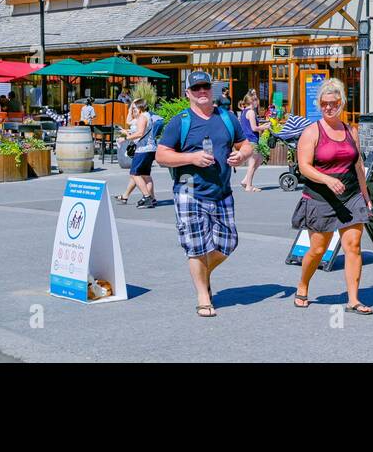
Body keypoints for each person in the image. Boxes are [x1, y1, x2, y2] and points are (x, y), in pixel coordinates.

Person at [155, 71, 253, 318]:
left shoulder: (227, 117)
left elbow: (246, 144)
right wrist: (191, 157)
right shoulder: (180, 121)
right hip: (188, 189)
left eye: (205, 87)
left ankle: (202, 271)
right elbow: (161, 155)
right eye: (196, 88)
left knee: (229, 242)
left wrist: (241, 155)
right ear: (187, 92)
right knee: (196, 246)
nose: (202, 92)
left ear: (213, 90)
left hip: (221, 190)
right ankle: (203, 295)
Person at [291, 78, 373, 314]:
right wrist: (328, 180)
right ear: (319, 104)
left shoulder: (351, 131)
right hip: (321, 198)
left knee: (354, 246)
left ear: (342, 103)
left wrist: (366, 195)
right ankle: (303, 284)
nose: (329, 107)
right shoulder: (311, 132)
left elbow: (358, 165)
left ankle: (353, 300)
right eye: (325, 103)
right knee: (318, 250)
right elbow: (304, 166)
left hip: (351, 196)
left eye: (334, 103)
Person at [116, 98, 158, 208]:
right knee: (145, 175)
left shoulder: (142, 117)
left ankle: (147, 197)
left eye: (134, 108)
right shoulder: (148, 115)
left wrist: (125, 138)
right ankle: (151, 198)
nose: (133, 110)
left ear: (140, 108)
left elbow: (139, 133)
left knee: (134, 174)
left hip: (143, 149)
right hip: (150, 149)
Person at [237, 91, 272, 192]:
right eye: (256, 99)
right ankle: (249, 186)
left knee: (260, 158)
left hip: (248, 140)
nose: (258, 101)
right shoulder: (251, 112)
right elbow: (254, 128)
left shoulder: (244, 111)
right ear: (252, 101)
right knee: (252, 164)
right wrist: (265, 127)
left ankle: (245, 181)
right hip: (251, 140)